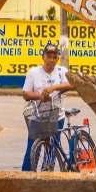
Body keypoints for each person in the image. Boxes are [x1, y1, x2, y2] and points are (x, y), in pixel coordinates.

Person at [22, 41, 72, 170]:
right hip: (37, 117)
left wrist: (52, 88)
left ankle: (46, 176)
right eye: (49, 56)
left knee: (51, 152)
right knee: (32, 151)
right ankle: (25, 178)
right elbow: (26, 93)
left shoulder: (62, 71)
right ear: (43, 57)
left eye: (55, 57)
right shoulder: (33, 73)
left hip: (56, 117)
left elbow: (69, 85)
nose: (52, 60)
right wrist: (40, 97)